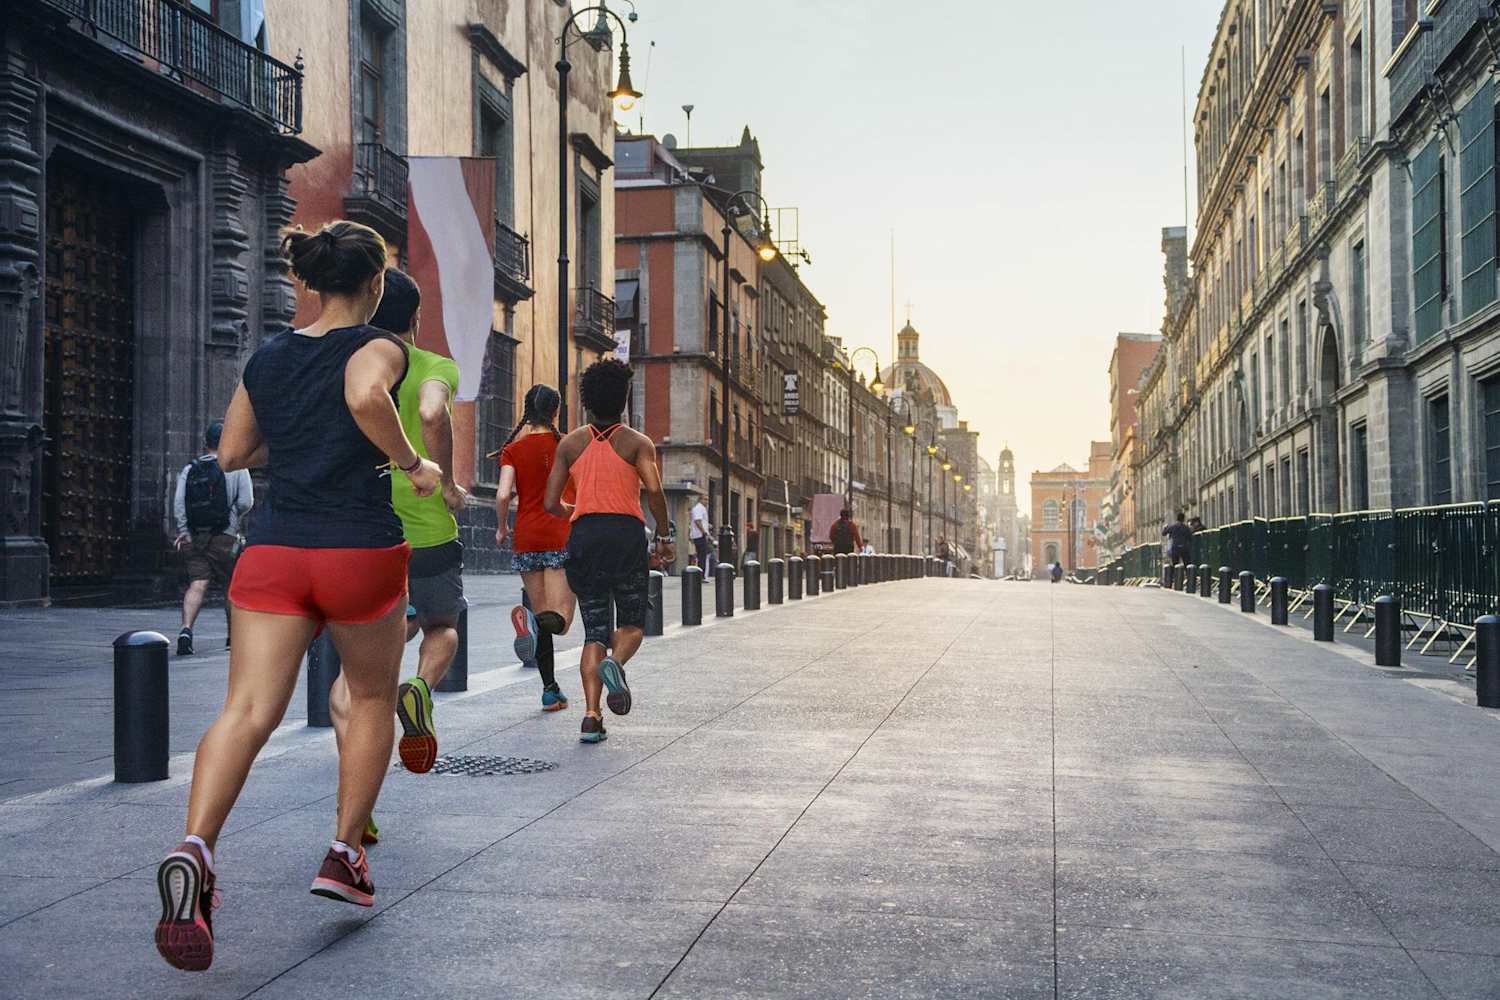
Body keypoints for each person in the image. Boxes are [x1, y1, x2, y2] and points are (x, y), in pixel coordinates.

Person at [153, 221, 441, 972]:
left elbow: (233, 453)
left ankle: (196, 849)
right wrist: (412, 463)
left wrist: (303, 437)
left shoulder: (269, 355)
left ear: (311, 283)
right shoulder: (381, 345)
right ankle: (345, 853)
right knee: (372, 699)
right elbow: (363, 392)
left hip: (275, 553)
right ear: (375, 285)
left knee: (246, 712)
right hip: (356, 550)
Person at [329, 267, 466, 788]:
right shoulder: (432, 363)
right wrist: (447, 483)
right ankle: (422, 690)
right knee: (443, 626)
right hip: (428, 529)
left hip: (361, 526)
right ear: (415, 317)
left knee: (355, 674)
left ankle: (356, 794)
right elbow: (432, 413)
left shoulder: (349, 364)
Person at [544, 358, 673, 745]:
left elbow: (551, 502)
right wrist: (665, 532)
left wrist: (579, 511)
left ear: (585, 402)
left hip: (585, 536)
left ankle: (591, 715)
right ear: (625, 398)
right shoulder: (637, 443)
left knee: (594, 630)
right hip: (625, 537)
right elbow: (653, 490)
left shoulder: (570, 443)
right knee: (633, 623)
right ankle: (615, 664)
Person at [496, 383, 576, 712]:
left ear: (527, 410)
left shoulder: (513, 449)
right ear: (555, 411)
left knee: (542, 614)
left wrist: (502, 527)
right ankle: (533, 625)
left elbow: (502, 495)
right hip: (560, 534)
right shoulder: (569, 446)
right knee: (561, 620)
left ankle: (550, 691)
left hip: (526, 537)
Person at [173, 421, 253, 656]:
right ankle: (232, 637)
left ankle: (186, 629)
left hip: (196, 537)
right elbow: (246, 502)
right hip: (225, 537)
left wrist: (184, 531)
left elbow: (179, 504)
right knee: (230, 586)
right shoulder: (236, 467)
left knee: (198, 583)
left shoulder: (190, 469)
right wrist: (232, 516)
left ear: (205, 442)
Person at [688, 492, 712, 570]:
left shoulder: (701, 508)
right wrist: (704, 532)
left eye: (707, 500)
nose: (707, 501)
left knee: (702, 555)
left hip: (699, 535)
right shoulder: (699, 508)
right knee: (702, 556)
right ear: (700, 499)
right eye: (705, 499)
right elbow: (697, 521)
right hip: (700, 535)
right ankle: (701, 574)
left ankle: (701, 573)